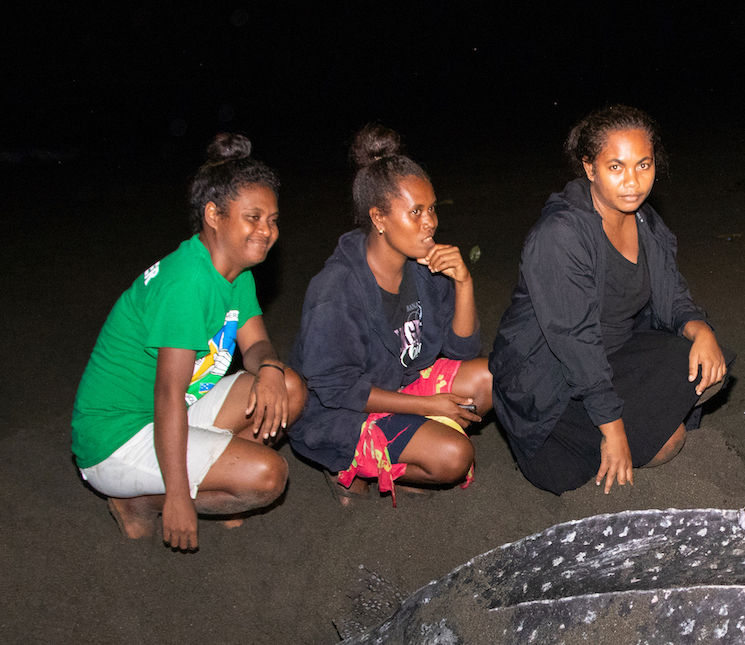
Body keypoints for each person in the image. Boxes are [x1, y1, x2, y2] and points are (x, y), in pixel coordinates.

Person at [71, 132, 308, 550]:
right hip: (117, 436)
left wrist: (269, 367)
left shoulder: (236, 273)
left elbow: (255, 345)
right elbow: (166, 394)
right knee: (267, 477)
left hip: (172, 408)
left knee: (287, 386)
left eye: (272, 219)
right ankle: (143, 502)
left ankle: (222, 473)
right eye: (253, 217)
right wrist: (179, 497)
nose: (266, 231)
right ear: (214, 215)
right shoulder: (187, 284)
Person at [490, 105, 731, 494]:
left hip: (613, 355)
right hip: (550, 383)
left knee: (709, 365)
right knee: (667, 444)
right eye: (615, 167)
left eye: (643, 165)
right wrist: (613, 429)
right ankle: (616, 435)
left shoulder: (645, 221)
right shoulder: (562, 234)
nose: (632, 182)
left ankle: (643, 425)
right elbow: (574, 340)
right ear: (589, 168)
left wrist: (700, 329)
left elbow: (672, 298)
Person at [288, 124, 490, 502]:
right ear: (379, 218)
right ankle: (346, 467)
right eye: (415, 212)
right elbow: (337, 389)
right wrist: (427, 406)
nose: (429, 222)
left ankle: (403, 451)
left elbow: (463, 351)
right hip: (342, 415)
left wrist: (464, 283)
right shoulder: (336, 290)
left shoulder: (422, 266)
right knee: (454, 456)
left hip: (398, 385)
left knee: (492, 376)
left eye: (431, 208)